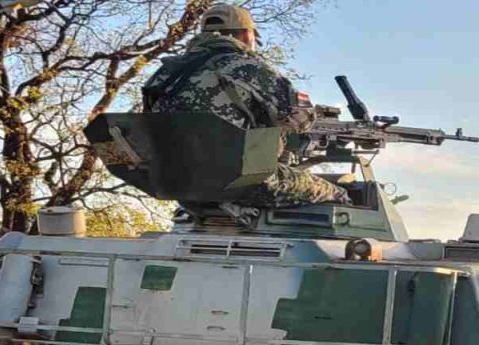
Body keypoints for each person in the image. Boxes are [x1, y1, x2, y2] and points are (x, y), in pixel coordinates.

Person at [141, 4, 350, 208]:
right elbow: (301, 121)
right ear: (245, 35)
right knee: (338, 192)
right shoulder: (248, 68)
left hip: (180, 184)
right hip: (241, 182)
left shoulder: (165, 74)